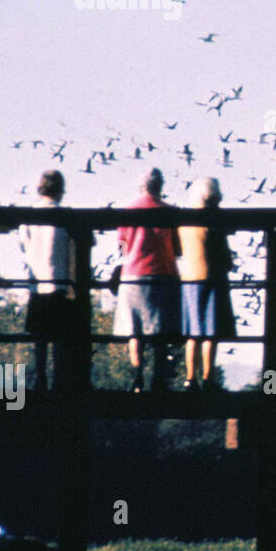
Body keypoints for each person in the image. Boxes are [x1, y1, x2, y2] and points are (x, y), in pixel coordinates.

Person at [115, 168, 181, 392]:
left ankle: (137, 377)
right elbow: (178, 248)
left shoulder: (127, 211)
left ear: (140, 185)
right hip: (162, 273)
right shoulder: (171, 212)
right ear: (161, 186)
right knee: (160, 331)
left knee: (135, 330)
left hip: (132, 274)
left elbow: (122, 246)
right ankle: (159, 379)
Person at [17, 170, 75, 390]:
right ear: (60, 190)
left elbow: (23, 244)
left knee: (39, 338)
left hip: (36, 283)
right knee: (60, 338)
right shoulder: (66, 216)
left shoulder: (28, 216)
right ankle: (59, 381)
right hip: (59, 282)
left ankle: (39, 378)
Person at [177, 177, 236, 391]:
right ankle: (209, 379)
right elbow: (224, 255)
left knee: (193, 333)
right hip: (213, 277)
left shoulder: (183, 221)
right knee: (211, 332)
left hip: (189, 279)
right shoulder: (214, 221)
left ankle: (189, 379)